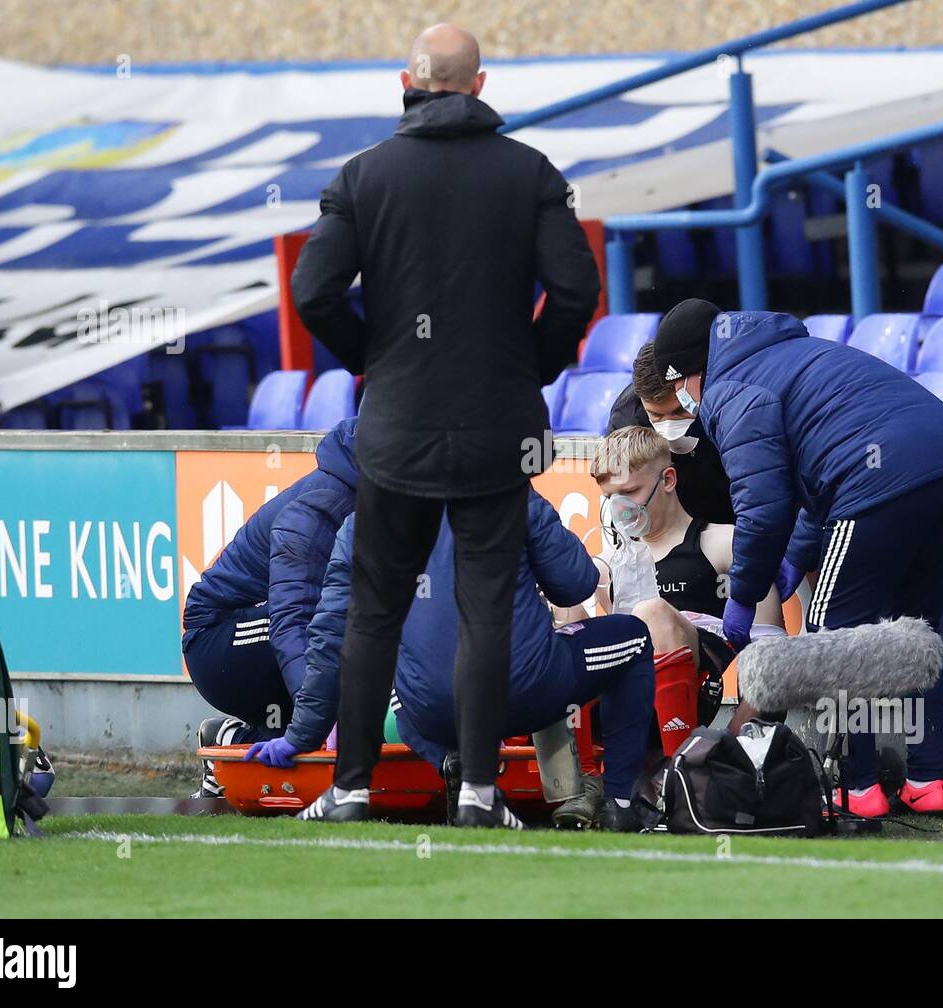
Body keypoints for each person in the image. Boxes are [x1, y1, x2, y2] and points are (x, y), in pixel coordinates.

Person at [288, 23, 601, 825]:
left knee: (372, 611)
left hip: (395, 432)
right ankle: (477, 794)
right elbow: (575, 291)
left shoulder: (363, 177)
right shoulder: (530, 173)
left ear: (406, 80)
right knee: (487, 608)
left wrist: (379, 362)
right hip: (499, 430)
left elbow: (314, 292)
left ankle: (351, 789)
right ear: (481, 84)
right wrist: (528, 366)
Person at [652, 299, 943, 818]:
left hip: (879, 479)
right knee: (916, 627)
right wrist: (794, 557)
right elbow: (815, 480)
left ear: (692, 373)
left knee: (831, 633)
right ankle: (926, 780)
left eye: (678, 387)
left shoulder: (728, 391)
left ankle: (857, 789)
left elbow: (762, 507)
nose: (682, 399)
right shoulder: (792, 353)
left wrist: (742, 598)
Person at [251, 491, 655, 832]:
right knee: (633, 636)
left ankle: (454, 763)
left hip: (430, 712)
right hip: (527, 692)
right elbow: (577, 584)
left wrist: (300, 735)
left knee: (397, 671)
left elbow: (329, 642)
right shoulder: (511, 496)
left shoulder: (362, 522)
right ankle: (619, 801)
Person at [546, 426, 787, 828]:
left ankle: (685, 780)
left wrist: (731, 741)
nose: (621, 508)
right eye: (610, 498)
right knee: (566, 598)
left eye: (632, 492)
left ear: (668, 480)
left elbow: (773, 659)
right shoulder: (608, 566)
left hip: (692, 691)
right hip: (619, 697)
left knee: (653, 612)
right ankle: (582, 783)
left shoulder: (723, 543)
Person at [182, 418, 358, 797]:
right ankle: (243, 740)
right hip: (219, 636)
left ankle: (243, 740)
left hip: (286, 629)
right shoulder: (323, 504)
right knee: (344, 627)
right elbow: (293, 621)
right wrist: (323, 717)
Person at [608, 343, 735, 525]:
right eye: (656, 415)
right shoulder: (625, 418)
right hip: (667, 526)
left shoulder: (726, 402)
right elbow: (621, 492)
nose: (669, 425)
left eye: (680, 411)